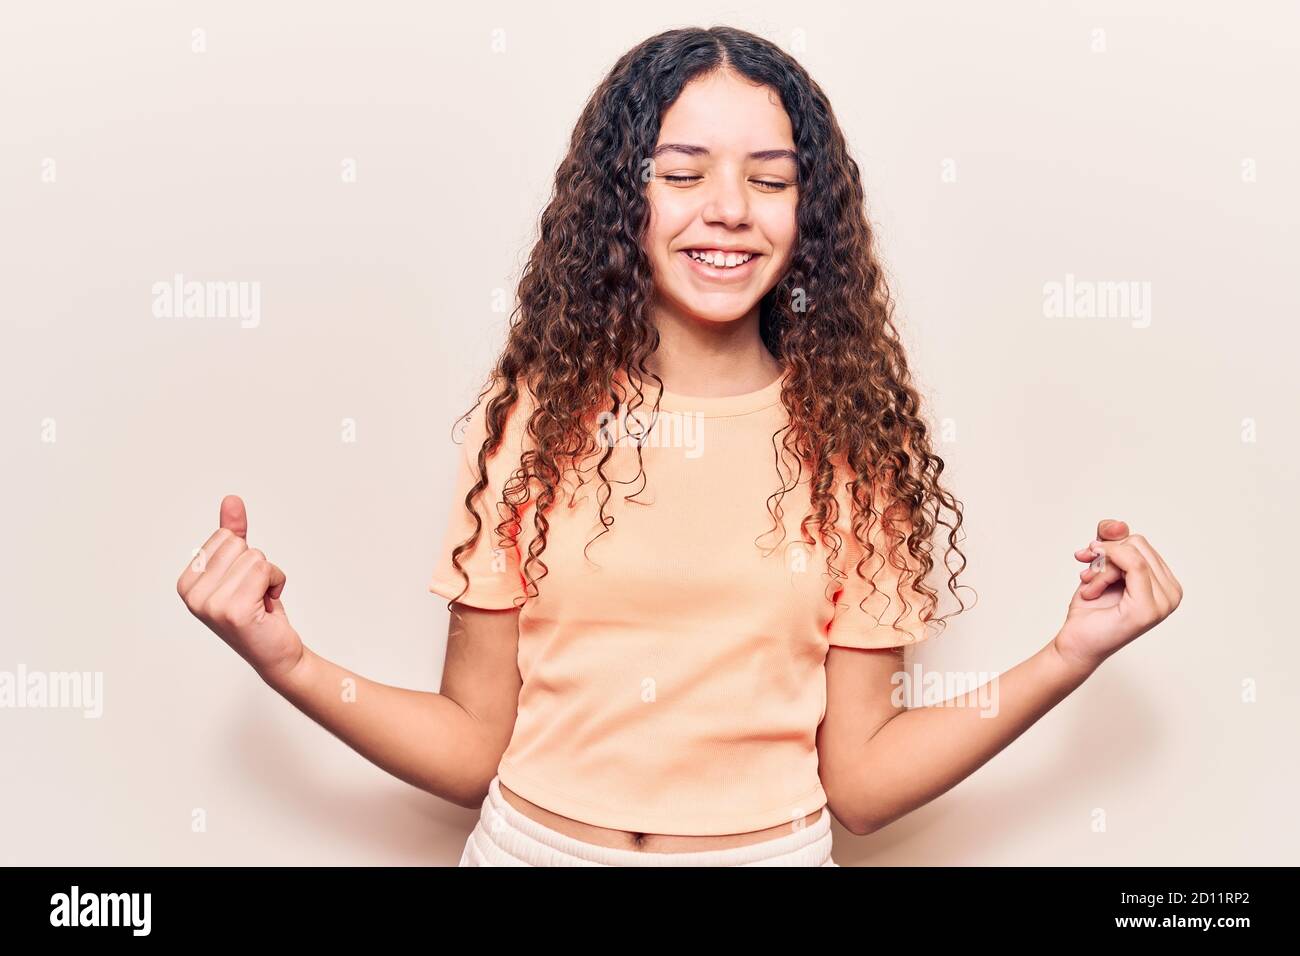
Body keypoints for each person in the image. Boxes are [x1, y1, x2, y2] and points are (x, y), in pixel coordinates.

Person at [175, 26, 1182, 867]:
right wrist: (288, 658)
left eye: (770, 179)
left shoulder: (855, 439)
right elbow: (471, 740)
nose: (729, 209)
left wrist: (1067, 654)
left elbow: (864, 784)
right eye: (683, 171)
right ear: (624, 199)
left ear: (808, 214)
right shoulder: (535, 415)